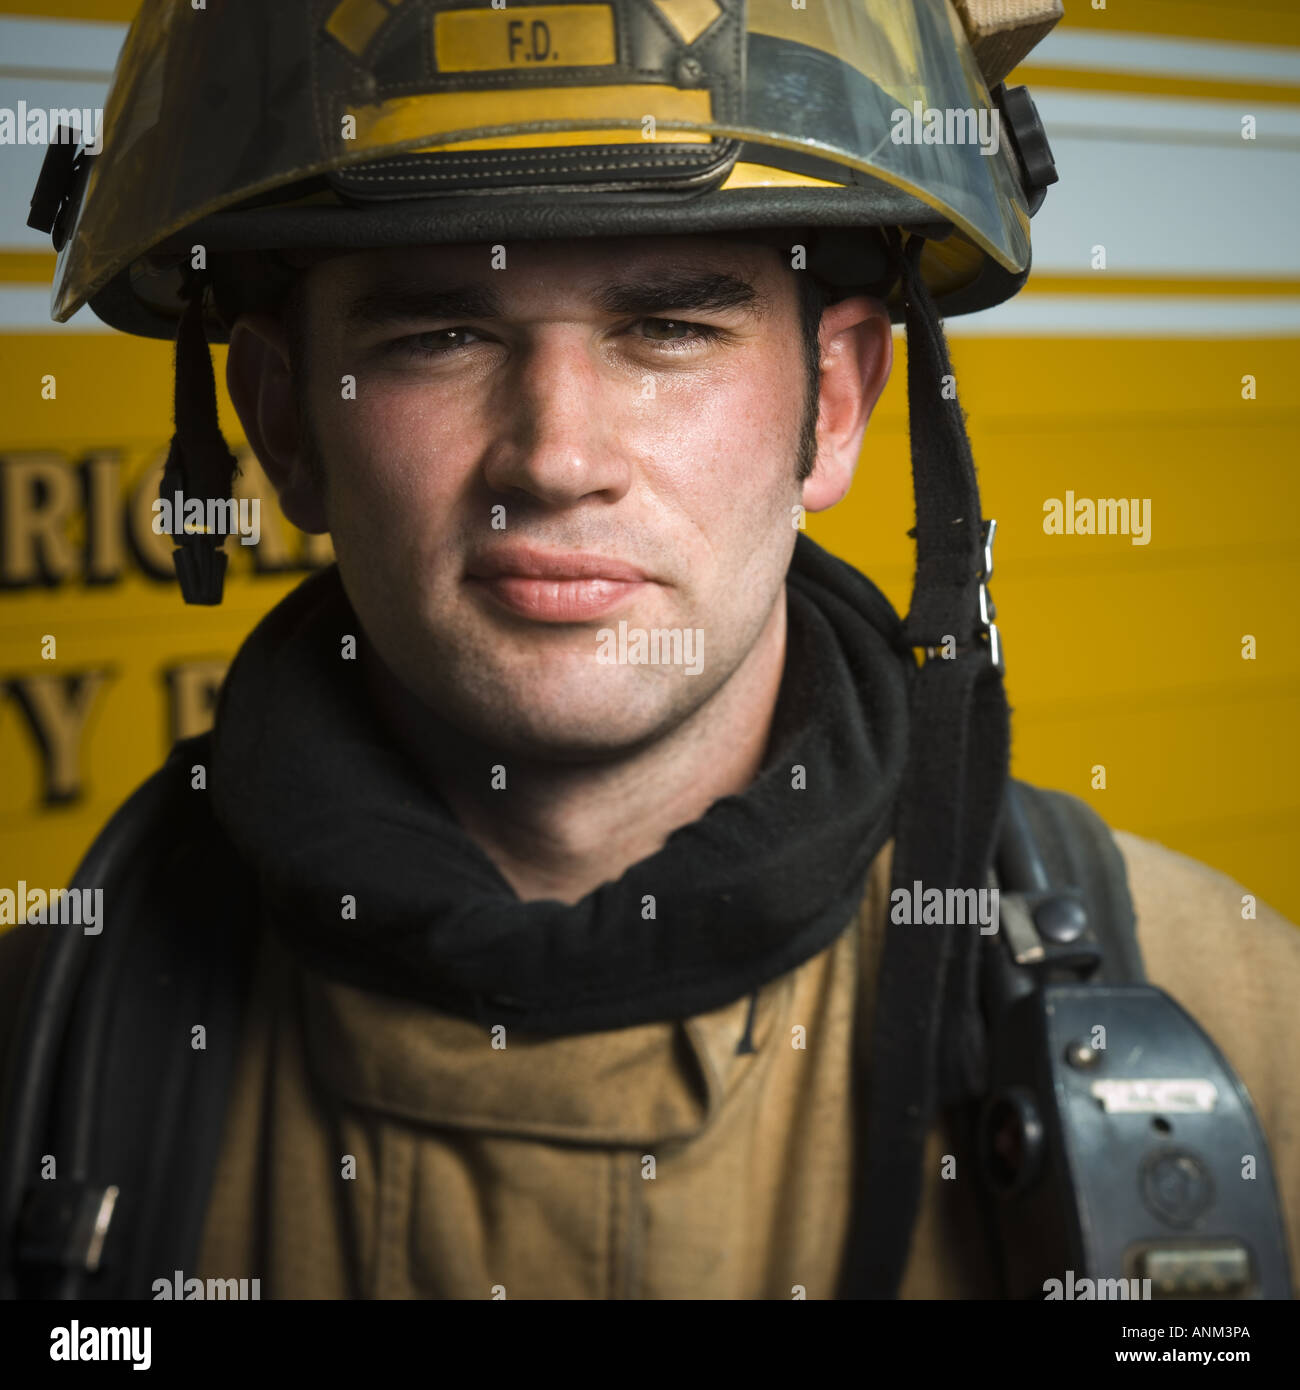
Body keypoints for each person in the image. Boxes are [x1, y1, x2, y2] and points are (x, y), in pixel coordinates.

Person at [1, 0, 1296, 1301]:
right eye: (440, 335)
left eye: (669, 330)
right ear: (285, 428)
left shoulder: (1221, 1013)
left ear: (836, 403)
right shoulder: (42, 1047)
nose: (557, 459)